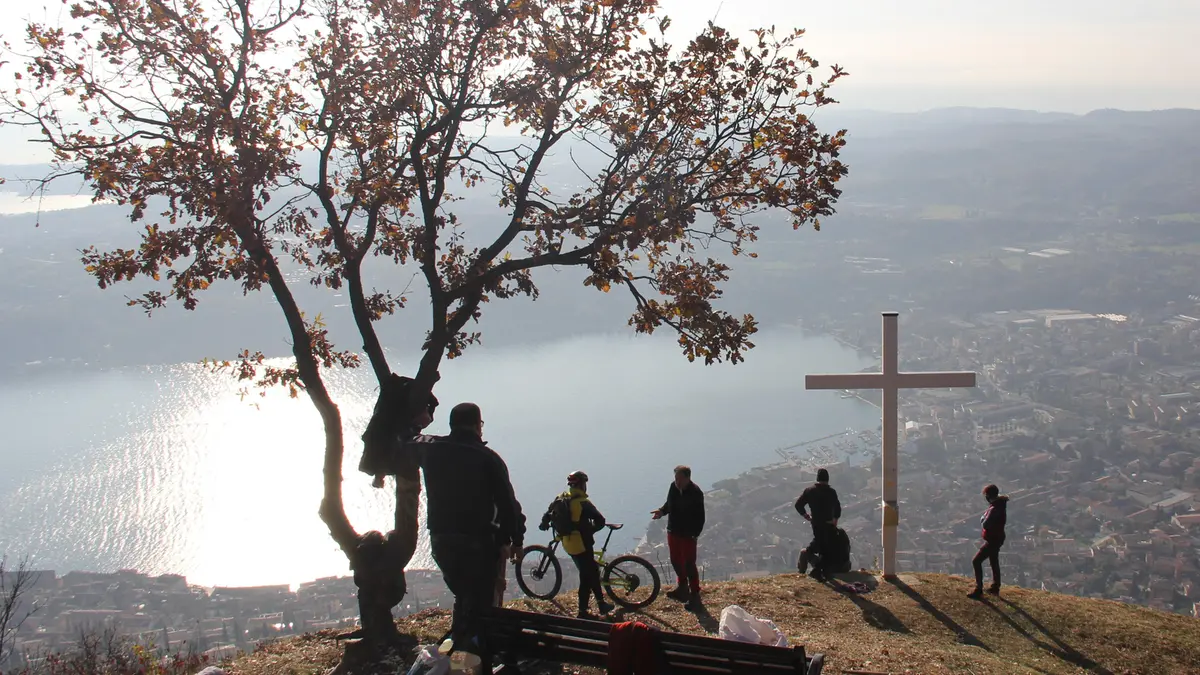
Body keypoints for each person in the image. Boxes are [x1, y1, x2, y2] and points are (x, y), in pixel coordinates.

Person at [413, 402, 526, 644]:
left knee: (463, 593)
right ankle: (477, 652)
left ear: (452, 424)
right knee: (482, 600)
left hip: (442, 540)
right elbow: (508, 505)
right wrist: (514, 540)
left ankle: (461, 643)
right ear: (478, 426)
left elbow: (405, 441)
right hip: (478, 541)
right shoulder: (488, 458)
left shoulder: (429, 448)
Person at [539, 471, 614, 618]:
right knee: (589, 575)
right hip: (582, 544)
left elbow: (547, 515)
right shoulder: (583, 503)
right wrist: (590, 530)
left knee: (587, 572)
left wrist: (544, 525)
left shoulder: (560, 498)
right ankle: (594, 607)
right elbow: (600, 521)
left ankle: (591, 608)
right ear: (582, 485)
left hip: (568, 544)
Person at [651, 465, 705, 608]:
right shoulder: (673, 488)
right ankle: (682, 588)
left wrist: (695, 534)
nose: (677, 482)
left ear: (688, 478)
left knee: (689, 564)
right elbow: (670, 504)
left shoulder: (696, 492)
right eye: (675, 478)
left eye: (679, 479)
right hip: (673, 531)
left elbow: (700, 517)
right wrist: (662, 512)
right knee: (676, 561)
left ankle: (695, 595)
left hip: (688, 535)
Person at [794, 468, 841, 581]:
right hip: (829, 525)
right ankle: (820, 571)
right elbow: (838, 508)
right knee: (825, 548)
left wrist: (807, 516)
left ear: (817, 478)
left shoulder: (809, 491)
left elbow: (798, 505)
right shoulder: (831, 492)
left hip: (816, 524)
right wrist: (835, 520)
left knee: (817, 548)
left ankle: (807, 573)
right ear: (827, 479)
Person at [968, 484, 1009, 599]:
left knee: (976, 561)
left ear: (989, 495)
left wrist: (982, 519)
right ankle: (995, 587)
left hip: (993, 540)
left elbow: (985, 523)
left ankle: (978, 589)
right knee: (993, 561)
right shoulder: (999, 505)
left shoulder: (995, 508)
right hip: (998, 537)